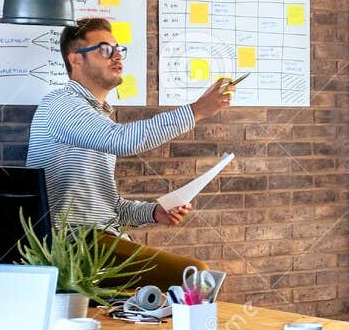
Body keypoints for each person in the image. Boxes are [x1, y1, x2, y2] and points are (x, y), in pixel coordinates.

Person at [26, 18, 234, 292]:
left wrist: (154, 212)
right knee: (196, 277)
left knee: (182, 287)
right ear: (76, 60)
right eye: (104, 49)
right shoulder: (61, 105)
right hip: (75, 246)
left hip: (101, 239)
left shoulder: (94, 116)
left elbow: (110, 208)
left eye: (118, 49)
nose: (117, 56)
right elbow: (123, 140)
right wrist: (198, 110)